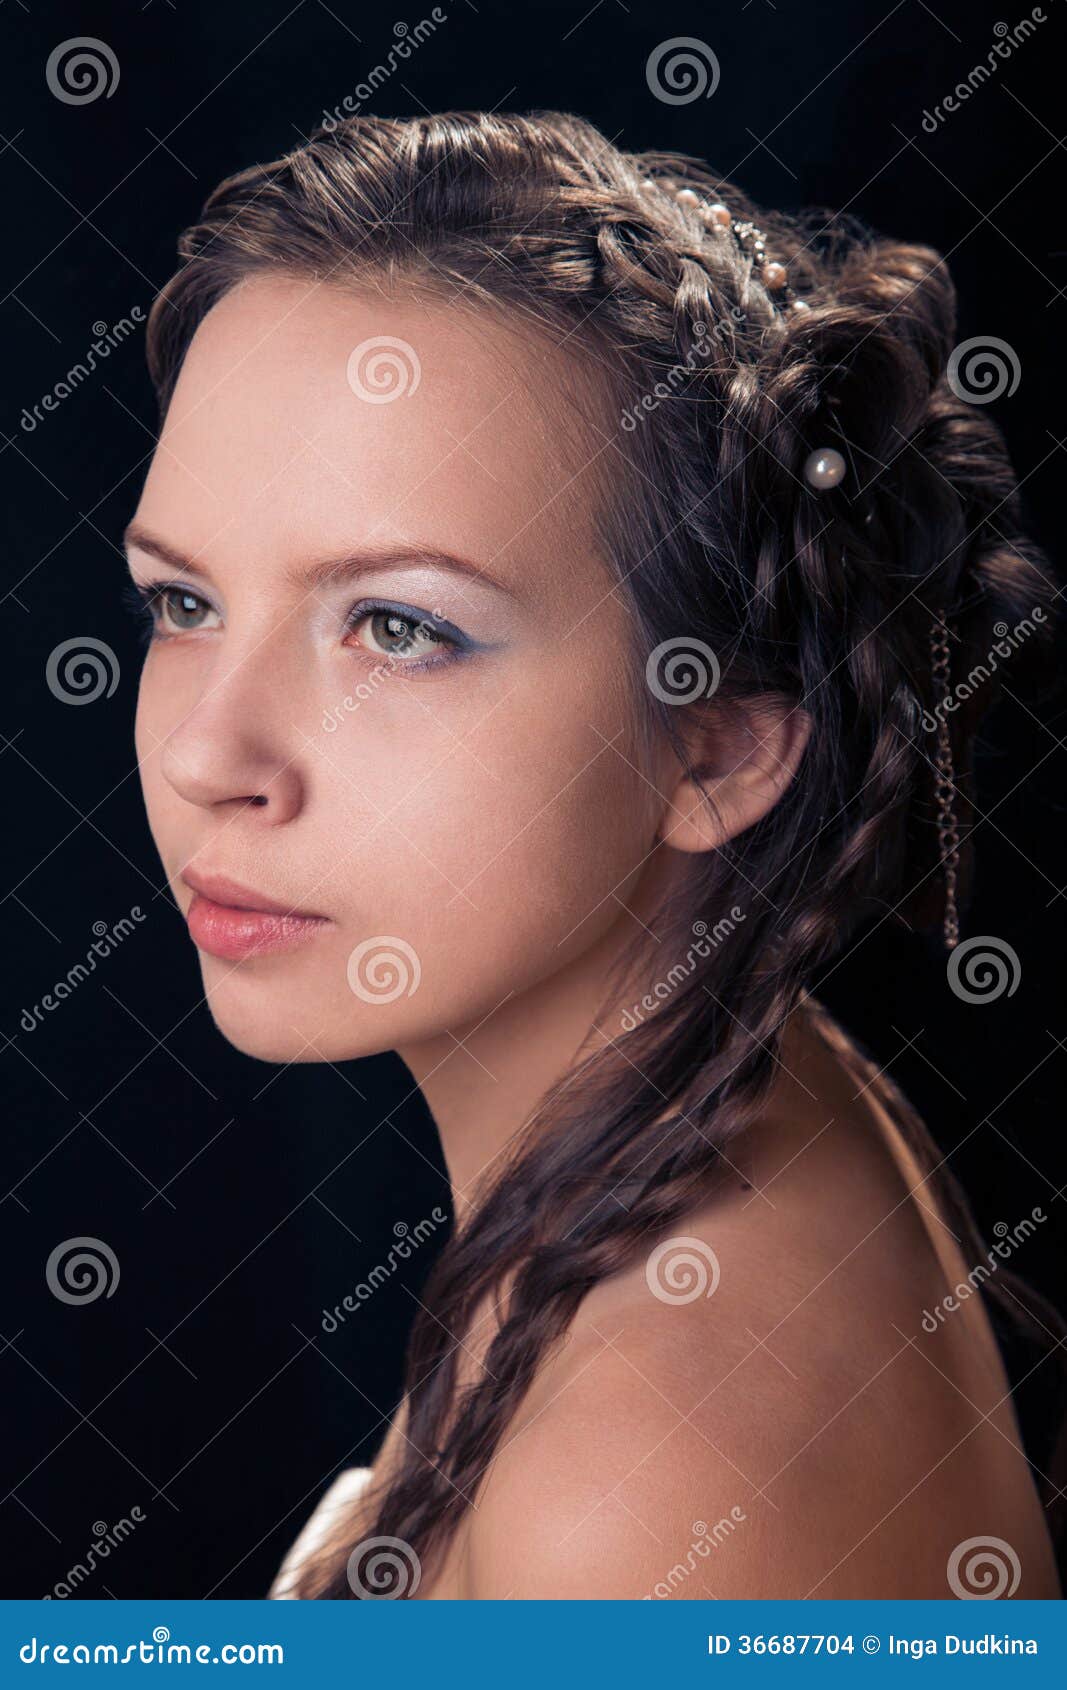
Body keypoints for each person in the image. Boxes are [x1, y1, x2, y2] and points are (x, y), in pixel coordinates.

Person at [125, 109, 1063, 1599]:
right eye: (183, 605)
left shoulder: (650, 1483)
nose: (205, 757)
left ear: (720, 743)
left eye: (399, 628)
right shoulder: (727, 1093)